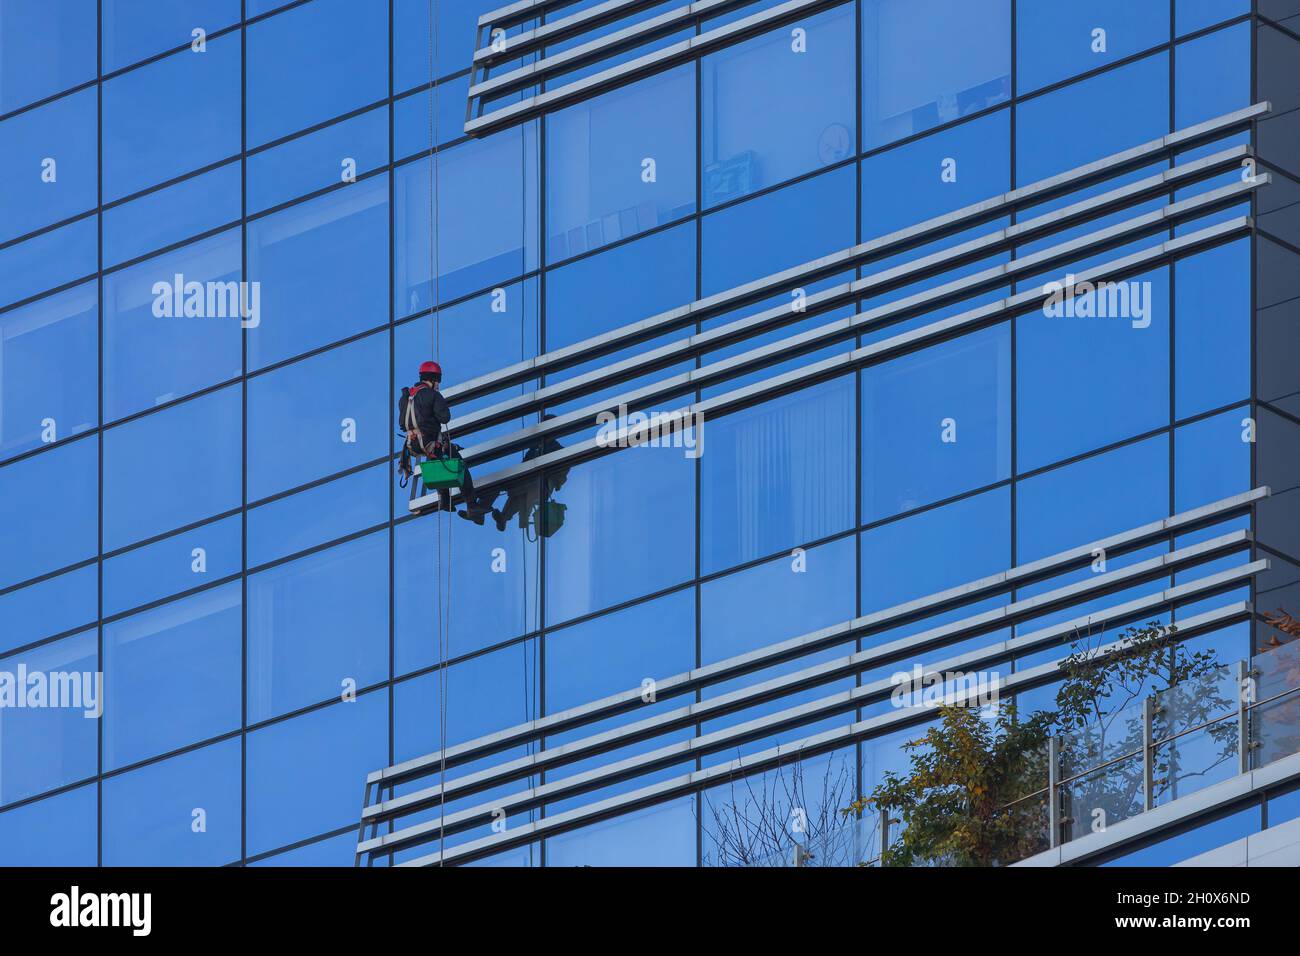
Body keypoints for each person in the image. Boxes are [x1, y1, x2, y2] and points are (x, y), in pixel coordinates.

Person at [398, 360, 487, 516]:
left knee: (439, 459)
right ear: (432, 379)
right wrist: (439, 406)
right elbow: (445, 418)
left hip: (412, 444)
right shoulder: (433, 395)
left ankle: (445, 501)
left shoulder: (406, 398)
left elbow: (401, 424)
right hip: (429, 442)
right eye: (437, 381)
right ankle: (472, 505)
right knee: (458, 463)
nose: (438, 385)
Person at [492, 414, 569, 533]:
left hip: (541, 485)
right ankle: (485, 508)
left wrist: (551, 476)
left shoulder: (558, 450)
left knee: (522, 490)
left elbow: (562, 472)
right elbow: (525, 463)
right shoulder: (535, 446)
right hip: (528, 481)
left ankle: (505, 516)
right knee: (505, 484)